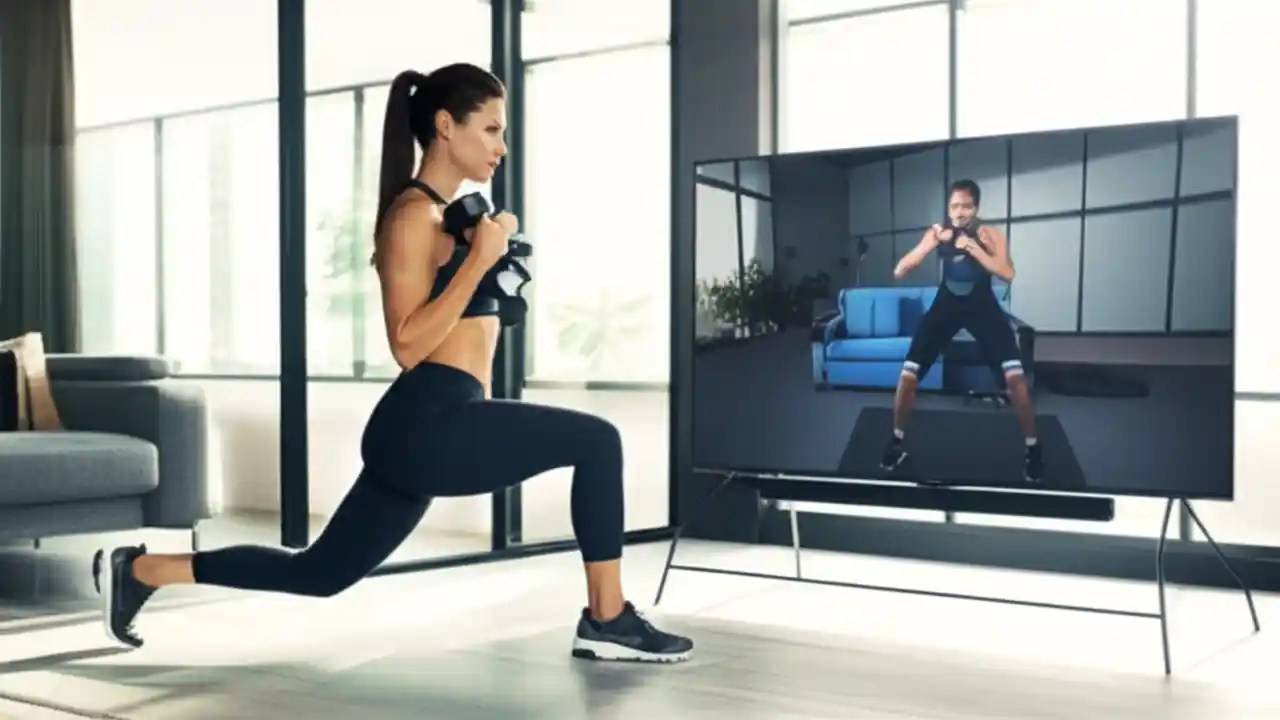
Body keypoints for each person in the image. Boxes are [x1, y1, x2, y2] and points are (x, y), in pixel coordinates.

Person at [92, 63, 694, 664]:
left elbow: (470, 323)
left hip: (441, 418)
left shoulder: (450, 220)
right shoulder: (411, 215)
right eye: (489, 129)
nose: (501, 147)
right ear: (444, 126)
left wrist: (491, 255)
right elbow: (406, 344)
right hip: (428, 418)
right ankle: (606, 617)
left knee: (321, 573)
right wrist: (481, 261)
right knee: (598, 441)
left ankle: (141, 569)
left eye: (502, 133)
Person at [879, 179, 1042, 482]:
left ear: (976, 208)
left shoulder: (989, 234)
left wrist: (975, 250)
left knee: (1017, 381)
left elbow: (1008, 274)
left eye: (966, 206)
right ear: (948, 208)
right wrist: (928, 245)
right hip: (947, 304)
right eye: (954, 205)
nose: (960, 212)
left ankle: (1033, 448)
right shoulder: (939, 233)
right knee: (907, 376)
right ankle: (897, 442)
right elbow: (899, 271)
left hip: (982, 304)